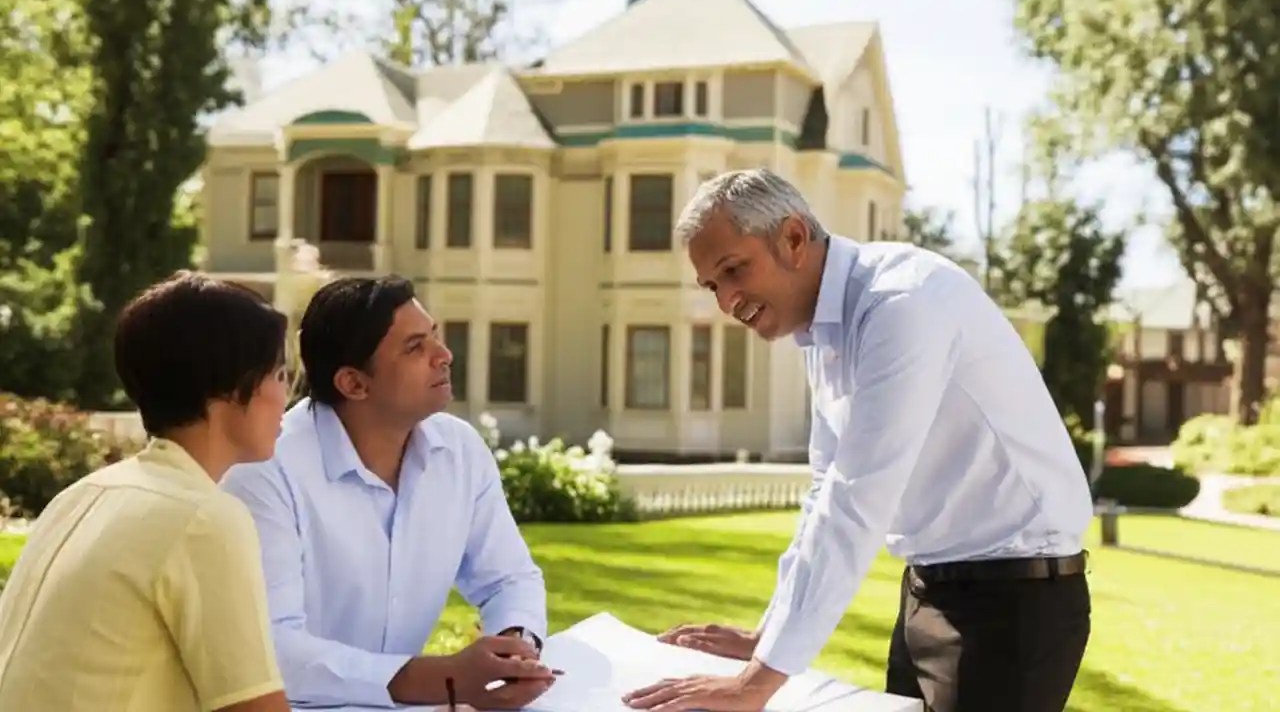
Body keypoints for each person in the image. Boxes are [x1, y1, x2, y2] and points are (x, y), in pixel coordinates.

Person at [623, 169, 1094, 712]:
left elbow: (857, 500)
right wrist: (770, 639)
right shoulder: (821, 329)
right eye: (712, 286)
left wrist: (755, 684)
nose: (727, 301)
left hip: (1014, 602)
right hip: (929, 591)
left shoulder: (901, 303)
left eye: (734, 270)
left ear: (793, 239)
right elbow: (826, 492)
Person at [221, 275, 555, 711]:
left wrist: (516, 645)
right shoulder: (266, 471)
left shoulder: (458, 450)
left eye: (434, 336)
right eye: (415, 348)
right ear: (354, 384)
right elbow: (275, 652)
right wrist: (445, 678)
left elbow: (509, 578)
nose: (445, 355)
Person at [0, 272, 292, 712]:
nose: (287, 395)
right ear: (232, 387)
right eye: (280, 374)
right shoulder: (203, 517)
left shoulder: (85, 493)